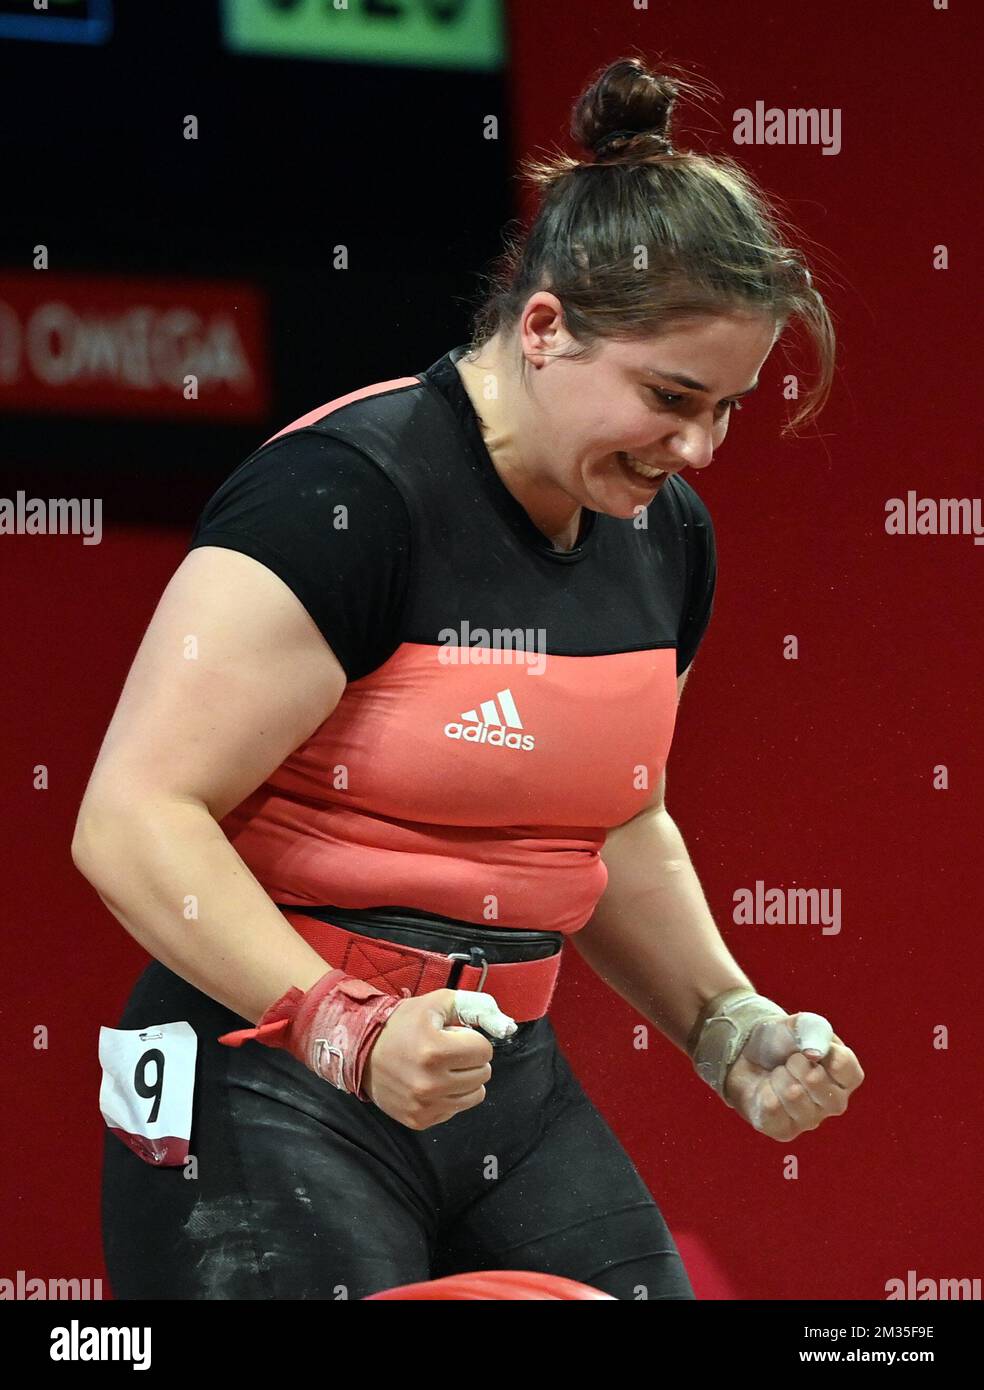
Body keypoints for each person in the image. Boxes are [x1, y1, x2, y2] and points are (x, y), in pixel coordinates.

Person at [73, 55, 863, 1301]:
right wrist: (345, 1025)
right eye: (669, 398)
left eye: (726, 409)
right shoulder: (343, 496)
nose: (698, 447)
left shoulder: (666, 533)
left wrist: (731, 1022)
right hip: (265, 1074)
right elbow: (129, 818)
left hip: (501, 1082)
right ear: (543, 327)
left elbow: (614, 817)